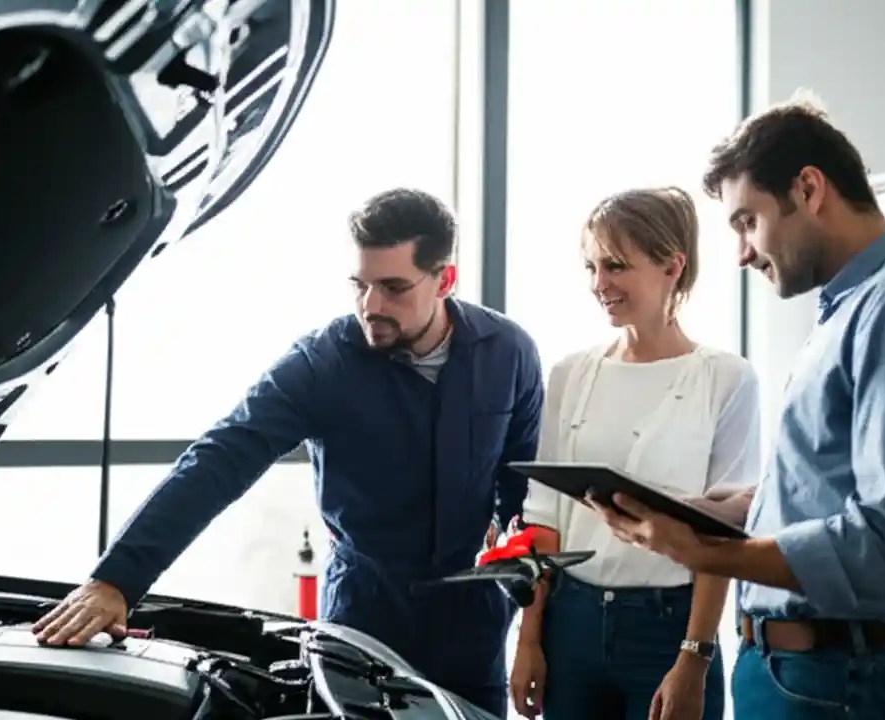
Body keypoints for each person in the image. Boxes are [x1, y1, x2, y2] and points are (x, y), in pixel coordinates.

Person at [31, 188, 544, 718]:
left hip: (473, 627)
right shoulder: (322, 365)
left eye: (393, 288)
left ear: (445, 279)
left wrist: (526, 607)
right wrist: (117, 580)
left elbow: (527, 493)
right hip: (364, 624)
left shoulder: (509, 353)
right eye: (360, 285)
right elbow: (221, 458)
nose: (371, 306)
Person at [588, 94, 885, 719]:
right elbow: (831, 490)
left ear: (809, 188)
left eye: (746, 222)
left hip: (849, 681)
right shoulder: (855, 307)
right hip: (811, 675)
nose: (741, 253)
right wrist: (732, 510)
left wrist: (705, 553)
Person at [509, 187, 762, 720]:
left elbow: (723, 534)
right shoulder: (570, 373)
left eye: (616, 266)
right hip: (569, 622)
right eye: (592, 266)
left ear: (673, 266)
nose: (599, 284)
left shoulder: (725, 378)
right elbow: (543, 517)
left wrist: (693, 657)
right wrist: (528, 639)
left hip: (668, 628)